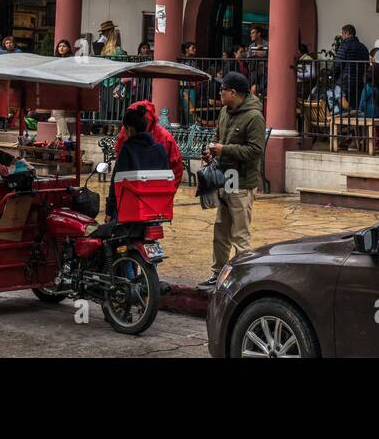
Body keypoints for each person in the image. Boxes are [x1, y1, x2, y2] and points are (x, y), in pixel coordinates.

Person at [198, 71, 265, 291]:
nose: (220, 93)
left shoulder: (254, 117)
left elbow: (256, 151)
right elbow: (218, 138)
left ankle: (242, 278)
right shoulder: (225, 112)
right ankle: (217, 274)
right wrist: (212, 152)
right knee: (221, 229)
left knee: (240, 233)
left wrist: (224, 149)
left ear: (233, 93)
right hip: (225, 178)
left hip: (242, 181)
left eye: (222, 90)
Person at [105, 106, 174, 219]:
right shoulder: (160, 149)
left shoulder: (127, 149)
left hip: (130, 210)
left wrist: (109, 210)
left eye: (125, 128)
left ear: (130, 129)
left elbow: (116, 183)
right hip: (155, 210)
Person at [113, 100, 184, 186]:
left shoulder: (165, 138)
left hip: (135, 193)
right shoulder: (162, 145)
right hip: (157, 193)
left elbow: (118, 176)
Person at [335, 24, 368, 113]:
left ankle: (342, 126)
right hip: (359, 84)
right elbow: (366, 66)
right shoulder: (363, 48)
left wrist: (333, 78)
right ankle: (355, 127)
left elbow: (337, 65)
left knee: (342, 111)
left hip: (345, 83)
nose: (341, 36)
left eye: (342, 34)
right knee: (355, 110)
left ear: (347, 33)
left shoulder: (344, 46)